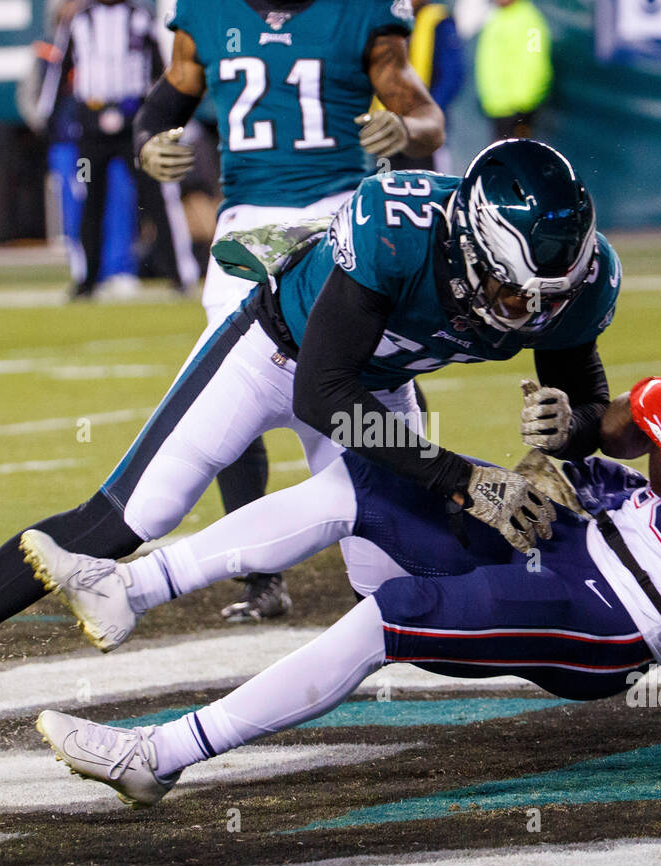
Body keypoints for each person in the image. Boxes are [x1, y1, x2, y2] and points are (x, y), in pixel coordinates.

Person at [0, 139, 624, 796]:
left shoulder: (564, 287)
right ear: (467, 243)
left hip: (375, 383)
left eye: (547, 299)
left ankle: (573, 653)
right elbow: (324, 392)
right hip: (279, 352)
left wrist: (572, 425)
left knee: (393, 598)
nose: (531, 314)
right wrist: (463, 477)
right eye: (512, 292)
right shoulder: (400, 227)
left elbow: (584, 399)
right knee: (122, 520)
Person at [21, 265, 661, 807]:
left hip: (614, 617)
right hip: (584, 529)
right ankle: (130, 587)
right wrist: (586, 429)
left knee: (393, 615)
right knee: (361, 481)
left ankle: (160, 755)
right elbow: (649, 446)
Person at [133, 0, 447, 621]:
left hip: (340, 219)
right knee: (224, 395)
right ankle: (260, 576)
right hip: (245, 230)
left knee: (360, 384)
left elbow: (426, 115)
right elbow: (168, 99)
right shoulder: (205, 12)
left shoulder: (359, 14)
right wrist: (147, 143)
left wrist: (405, 132)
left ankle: (401, 557)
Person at [37, 0, 197, 300]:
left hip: (134, 123)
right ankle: (87, 279)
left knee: (158, 195)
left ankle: (179, 274)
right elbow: (60, 72)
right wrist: (49, 117)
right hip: (91, 124)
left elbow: (162, 69)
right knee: (88, 198)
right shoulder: (79, 20)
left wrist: (165, 118)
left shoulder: (139, 17)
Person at [385, 0, 464, 173]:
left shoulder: (437, 19)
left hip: (424, 128)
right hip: (392, 124)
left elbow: (451, 75)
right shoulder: (388, 20)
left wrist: (430, 111)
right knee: (389, 185)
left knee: (429, 184)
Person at [475, 0, 552, 141]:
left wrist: (523, 104)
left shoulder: (529, 21)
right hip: (496, 107)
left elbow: (535, 61)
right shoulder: (497, 17)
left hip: (515, 111)